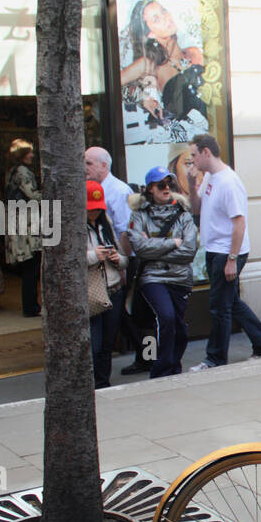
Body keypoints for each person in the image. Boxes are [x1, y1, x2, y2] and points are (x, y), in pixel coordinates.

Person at [185, 134, 261, 367]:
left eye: (194, 154)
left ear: (206, 152)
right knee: (230, 301)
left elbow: (239, 223)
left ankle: (215, 358)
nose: (192, 160)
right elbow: (196, 209)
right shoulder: (209, 178)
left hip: (227, 250)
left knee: (219, 306)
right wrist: (193, 186)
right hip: (215, 248)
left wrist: (232, 260)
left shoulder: (228, 181)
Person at [128, 167, 197, 377]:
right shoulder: (139, 215)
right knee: (165, 318)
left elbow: (188, 251)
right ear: (150, 188)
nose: (166, 188)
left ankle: (173, 366)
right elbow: (139, 248)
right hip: (153, 278)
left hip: (180, 278)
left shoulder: (183, 214)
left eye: (170, 183)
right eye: (161, 184)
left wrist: (154, 248)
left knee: (179, 328)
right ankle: (160, 370)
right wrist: (171, 243)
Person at [120, 0, 205, 121]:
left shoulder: (194, 52)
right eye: (156, 19)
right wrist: (142, 96)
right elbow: (112, 85)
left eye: (163, 11)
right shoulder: (148, 64)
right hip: (186, 135)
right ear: (150, 34)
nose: (165, 18)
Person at [86, 179, 127, 389]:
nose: (93, 213)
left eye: (97, 209)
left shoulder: (106, 223)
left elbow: (123, 258)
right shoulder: (74, 229)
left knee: (108, 342)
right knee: (94, 343)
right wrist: (95, 255)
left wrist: (117, 259)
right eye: (89, 209)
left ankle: (103, 382)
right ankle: (89, 384)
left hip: (113, 289)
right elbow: (69, 262)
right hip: (92, 293)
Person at [4, 138, 43, 317]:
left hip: (18, 221)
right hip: (27, 224)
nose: (32, 155)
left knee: (29, 267)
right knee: (32, 267)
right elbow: (32, 195)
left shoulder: (11, 171)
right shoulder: (23, 172)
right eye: (29, 152)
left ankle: (30, 304)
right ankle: (31, 306)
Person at [84, 147, 132, 241]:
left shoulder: (119, 191)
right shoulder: (88, 188)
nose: (84, 167)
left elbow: (125, 231)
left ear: (104, 165)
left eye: (89, 163)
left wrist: (121, 255)